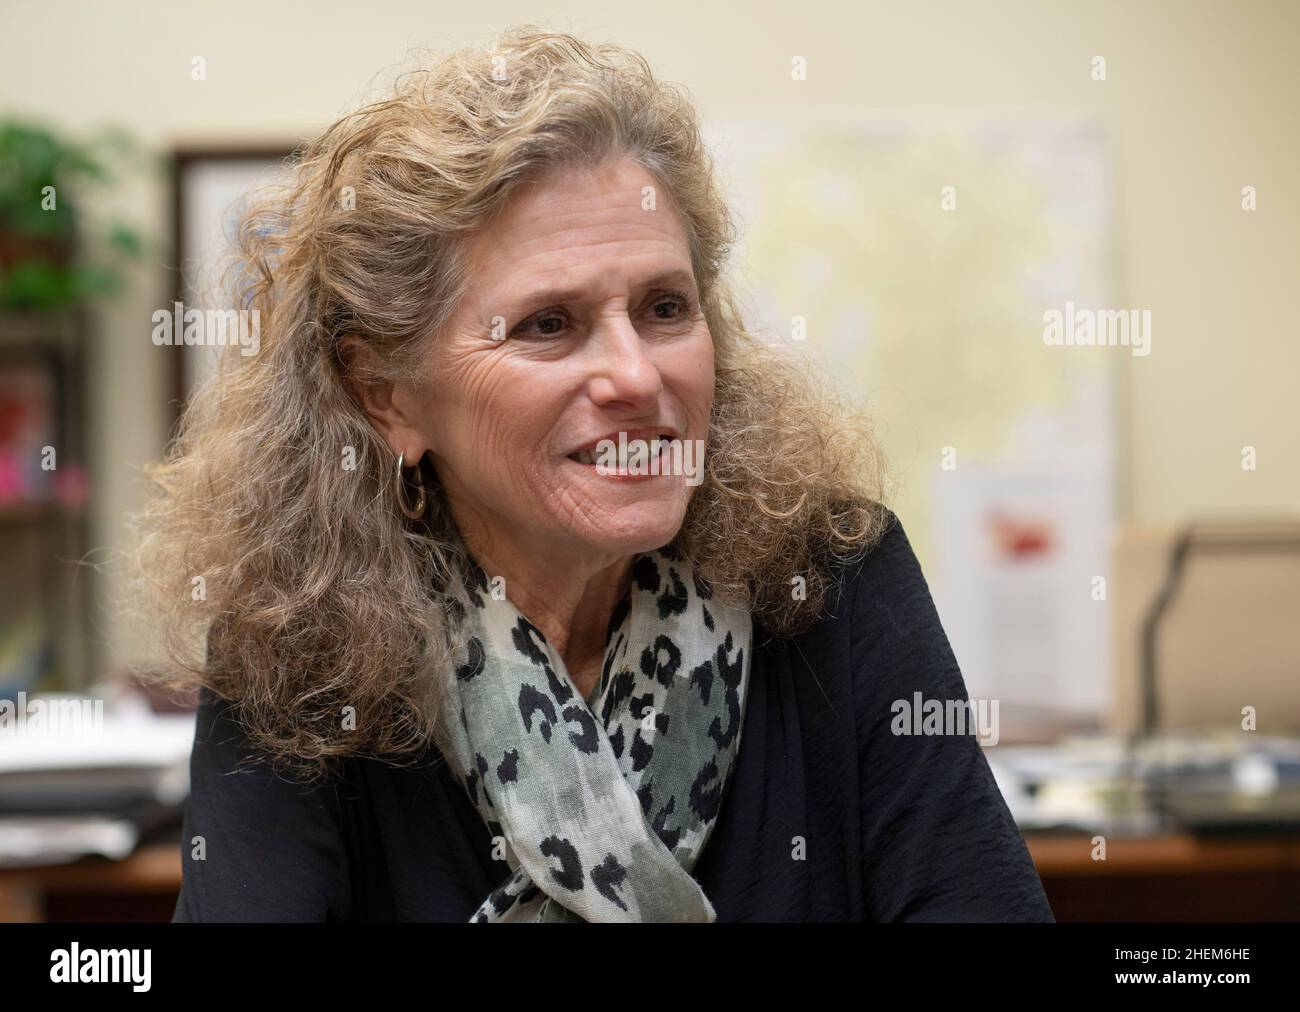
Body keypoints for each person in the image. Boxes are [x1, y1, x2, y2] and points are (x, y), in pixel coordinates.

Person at [134, 26, 1053, 923]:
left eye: (663, 308)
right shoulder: (295, 648)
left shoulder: (834, 582)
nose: (637, 376)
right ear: (386, 397)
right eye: (547, 325)